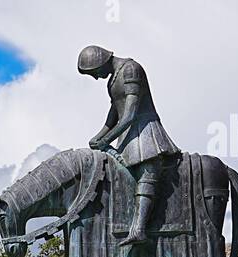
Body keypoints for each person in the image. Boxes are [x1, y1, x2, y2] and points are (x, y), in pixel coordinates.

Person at [77, 45, 180, 246]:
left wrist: (107, 140)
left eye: (94, 73)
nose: (97, 77)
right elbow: (113, 116)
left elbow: (130, 114)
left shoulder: (131, 69)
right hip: (127, 134)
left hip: (144, 131)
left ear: (100, 61)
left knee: (146, 171)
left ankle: (139, 228)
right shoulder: (112, 81)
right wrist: (97, 137)